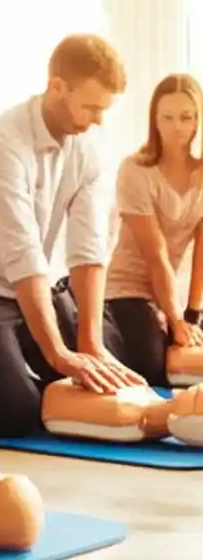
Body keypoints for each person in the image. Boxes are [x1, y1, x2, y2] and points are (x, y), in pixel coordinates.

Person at [0, 34, 146, 438]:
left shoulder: (91, 143)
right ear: (57, 87)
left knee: (95, 374)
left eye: (104, 109)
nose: (98, 119)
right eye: (91, 106)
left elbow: (89, 249)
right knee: (16, 412)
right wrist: (58, 353)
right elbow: (21, 253)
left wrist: (89, 345)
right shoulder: (1, 142)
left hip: (42, 286)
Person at [101, 73, 203, 386]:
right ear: (154, 119)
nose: (177, 126)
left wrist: (191, 315)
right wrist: (173, 320)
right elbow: (156, 254)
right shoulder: (136, 170)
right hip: (127, 289)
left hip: (169, 293)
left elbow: (201, 250)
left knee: (189, 358)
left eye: (186, 117)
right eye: (167, 117)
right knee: (154, 365)